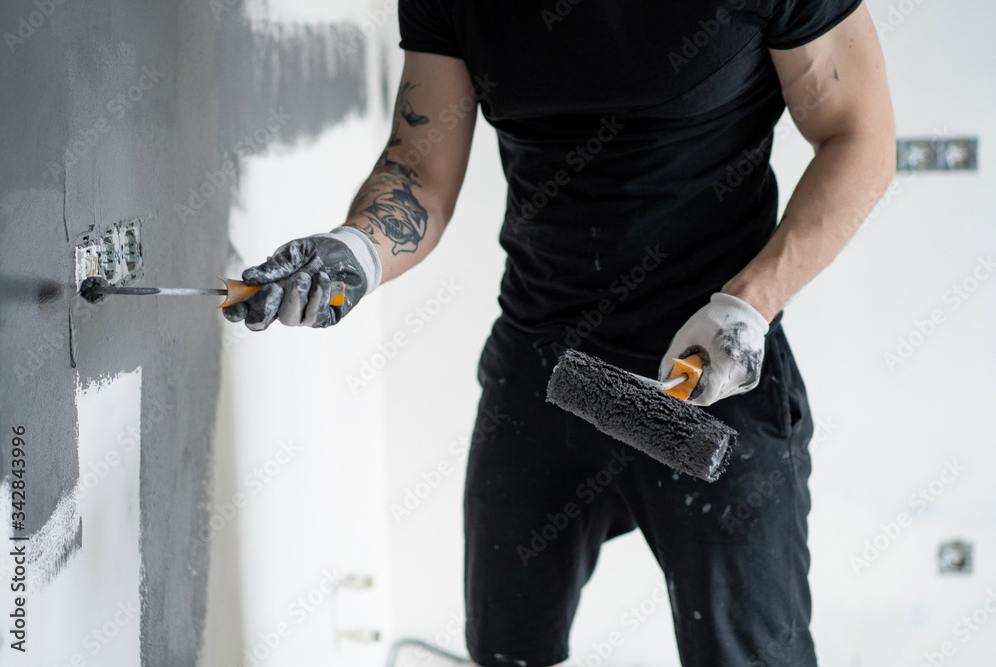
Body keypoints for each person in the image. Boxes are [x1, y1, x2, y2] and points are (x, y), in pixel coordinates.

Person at [224, 0, 895, 664]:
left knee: (746, 655)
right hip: (547, 366)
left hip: (709, 370)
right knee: (507, 648)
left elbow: (861, 136)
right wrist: (356, 252)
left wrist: (751, 303)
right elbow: (420, 172)